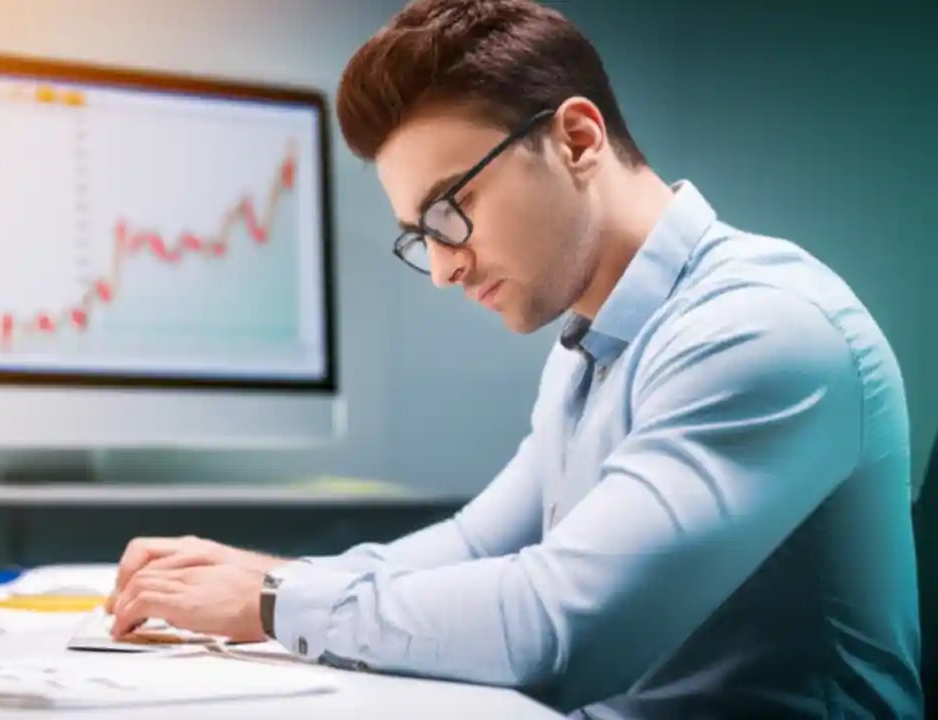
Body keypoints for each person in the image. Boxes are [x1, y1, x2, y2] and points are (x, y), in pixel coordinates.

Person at [105, 0, 923, 716]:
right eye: (419, 235)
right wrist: (262, 576)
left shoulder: (763, 333)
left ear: (576, 137)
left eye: (450, 211)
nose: (443, 267)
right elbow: (475, 545)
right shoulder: (594, 339)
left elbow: (562, 631)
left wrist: (277, 601)